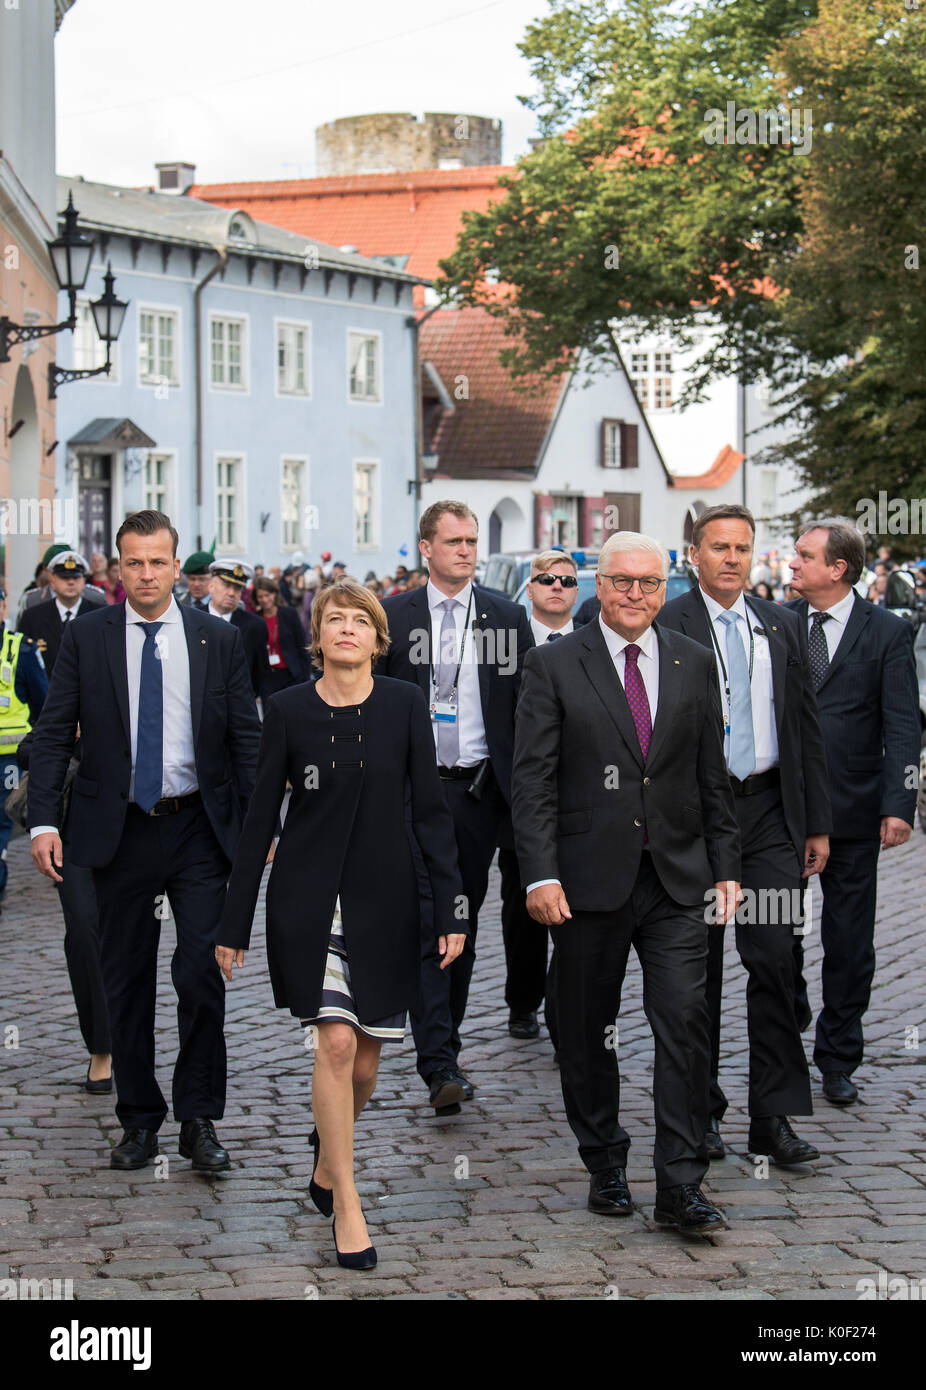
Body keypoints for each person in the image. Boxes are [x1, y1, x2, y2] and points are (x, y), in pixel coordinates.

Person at [215, 580, 465, 1268]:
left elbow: (431, 814)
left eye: (361, 621)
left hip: (387, 901)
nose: (348, 629)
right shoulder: (289, 710)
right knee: (332, 1043)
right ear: (317, 636)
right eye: (336, 620)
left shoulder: (405, 706)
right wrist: (232, 923)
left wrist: (450, 906)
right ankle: (348, 1207)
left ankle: (327, 1159)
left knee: (365, 1064)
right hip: (309, 899)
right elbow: (260, 816)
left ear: (378, 638)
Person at [512, 531, 741, 1233]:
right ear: (597, 585)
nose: (636, 595)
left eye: (649, 583)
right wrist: (541, 873)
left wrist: (726, 868)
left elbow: (711, 776)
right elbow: (532, 780)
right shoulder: (553, 665)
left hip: (676, 879)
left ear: (668, 586)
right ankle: (605, 1161)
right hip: (585, 884)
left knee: (684, 1025)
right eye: (622, 582)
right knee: (584, 1030)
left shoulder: (693, 661)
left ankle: (680, 1186)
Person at [27, 509, 261, 1172]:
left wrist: (256, 828)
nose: (148, 574)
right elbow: (52, 732)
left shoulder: (218, 639)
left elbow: (246, 740)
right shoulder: (91, 638)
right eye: (135, 562)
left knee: (200, 972)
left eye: (159, 561)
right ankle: (139, 1120)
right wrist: (44, 821)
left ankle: (199, 1118)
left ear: (177, 563)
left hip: (196, 831)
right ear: (118, 567)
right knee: (125, 980)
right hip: (116, 831)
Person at [659, 504, 831, 1166]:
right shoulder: (669, 624)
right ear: (693, 555)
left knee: (776, 962)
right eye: (719, 546)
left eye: (742, 547)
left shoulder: (780, 625)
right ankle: (700, 1113)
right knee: (695, 973)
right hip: (696, 821)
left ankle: (775, 1117)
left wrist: (815, 822)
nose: (731, 557)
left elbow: (805, 728)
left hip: (766, 819)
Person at [378, 500, 533, 1115]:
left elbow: (523, 710)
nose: (466, 551)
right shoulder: (393, 617)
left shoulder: (504, 617)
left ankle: (448, 1045)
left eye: (472, 541)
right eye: (454, 541)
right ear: (426, 549)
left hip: (476, 792)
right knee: (424, 916)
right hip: (413, 793)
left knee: (460, 922)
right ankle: (437, 1059)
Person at [787, 519, 920, 1105]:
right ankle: (791, 1008)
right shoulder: (777, 624)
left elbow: (901, 722)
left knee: (848, 940)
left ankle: (839, 1056)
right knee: (774, 931)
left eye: (804, 556)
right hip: (782, 809)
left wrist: (900, 805)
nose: (792, 565)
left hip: (855, 812)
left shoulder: (886, 631)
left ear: (836, 568)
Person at [500, 550, 581, 1041]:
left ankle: (565, 1015)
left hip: (582, 800)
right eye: (546, 579)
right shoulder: (506, 645)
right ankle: (522, 1001)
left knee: (577, 913)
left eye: (567, 581)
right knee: (522, 907)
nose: (557, 586)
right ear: (529, 588)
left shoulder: (593, 642)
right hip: (523, 797)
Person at [0, 586, 48, 915]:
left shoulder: (20, 648)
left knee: (4, 821)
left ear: (4, 606)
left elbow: (44, 705)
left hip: (8, 758)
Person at [18, 550, 94, 676]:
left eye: (76, 577)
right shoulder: (32, 617)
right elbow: (22, 664)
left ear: (84, 581)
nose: (70, 582)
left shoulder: (99, 613)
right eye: (64, 577)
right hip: (44, 692)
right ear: (52, 582)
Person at [207, 559, 272, 704]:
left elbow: (261, 673)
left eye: (237, 588)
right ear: (211, 586)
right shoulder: (193, 620)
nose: (231, 593)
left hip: (239, 707)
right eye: (226, 585)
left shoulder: (255, 625)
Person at [252, 575, 312, 696]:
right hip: (267, 678)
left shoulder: (289, 614)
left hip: (291, 675)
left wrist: (306, 678)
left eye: (267, 595)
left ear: (274, 594)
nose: (264, 599)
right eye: (260, 596)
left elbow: (302, 646)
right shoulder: (255, 620)